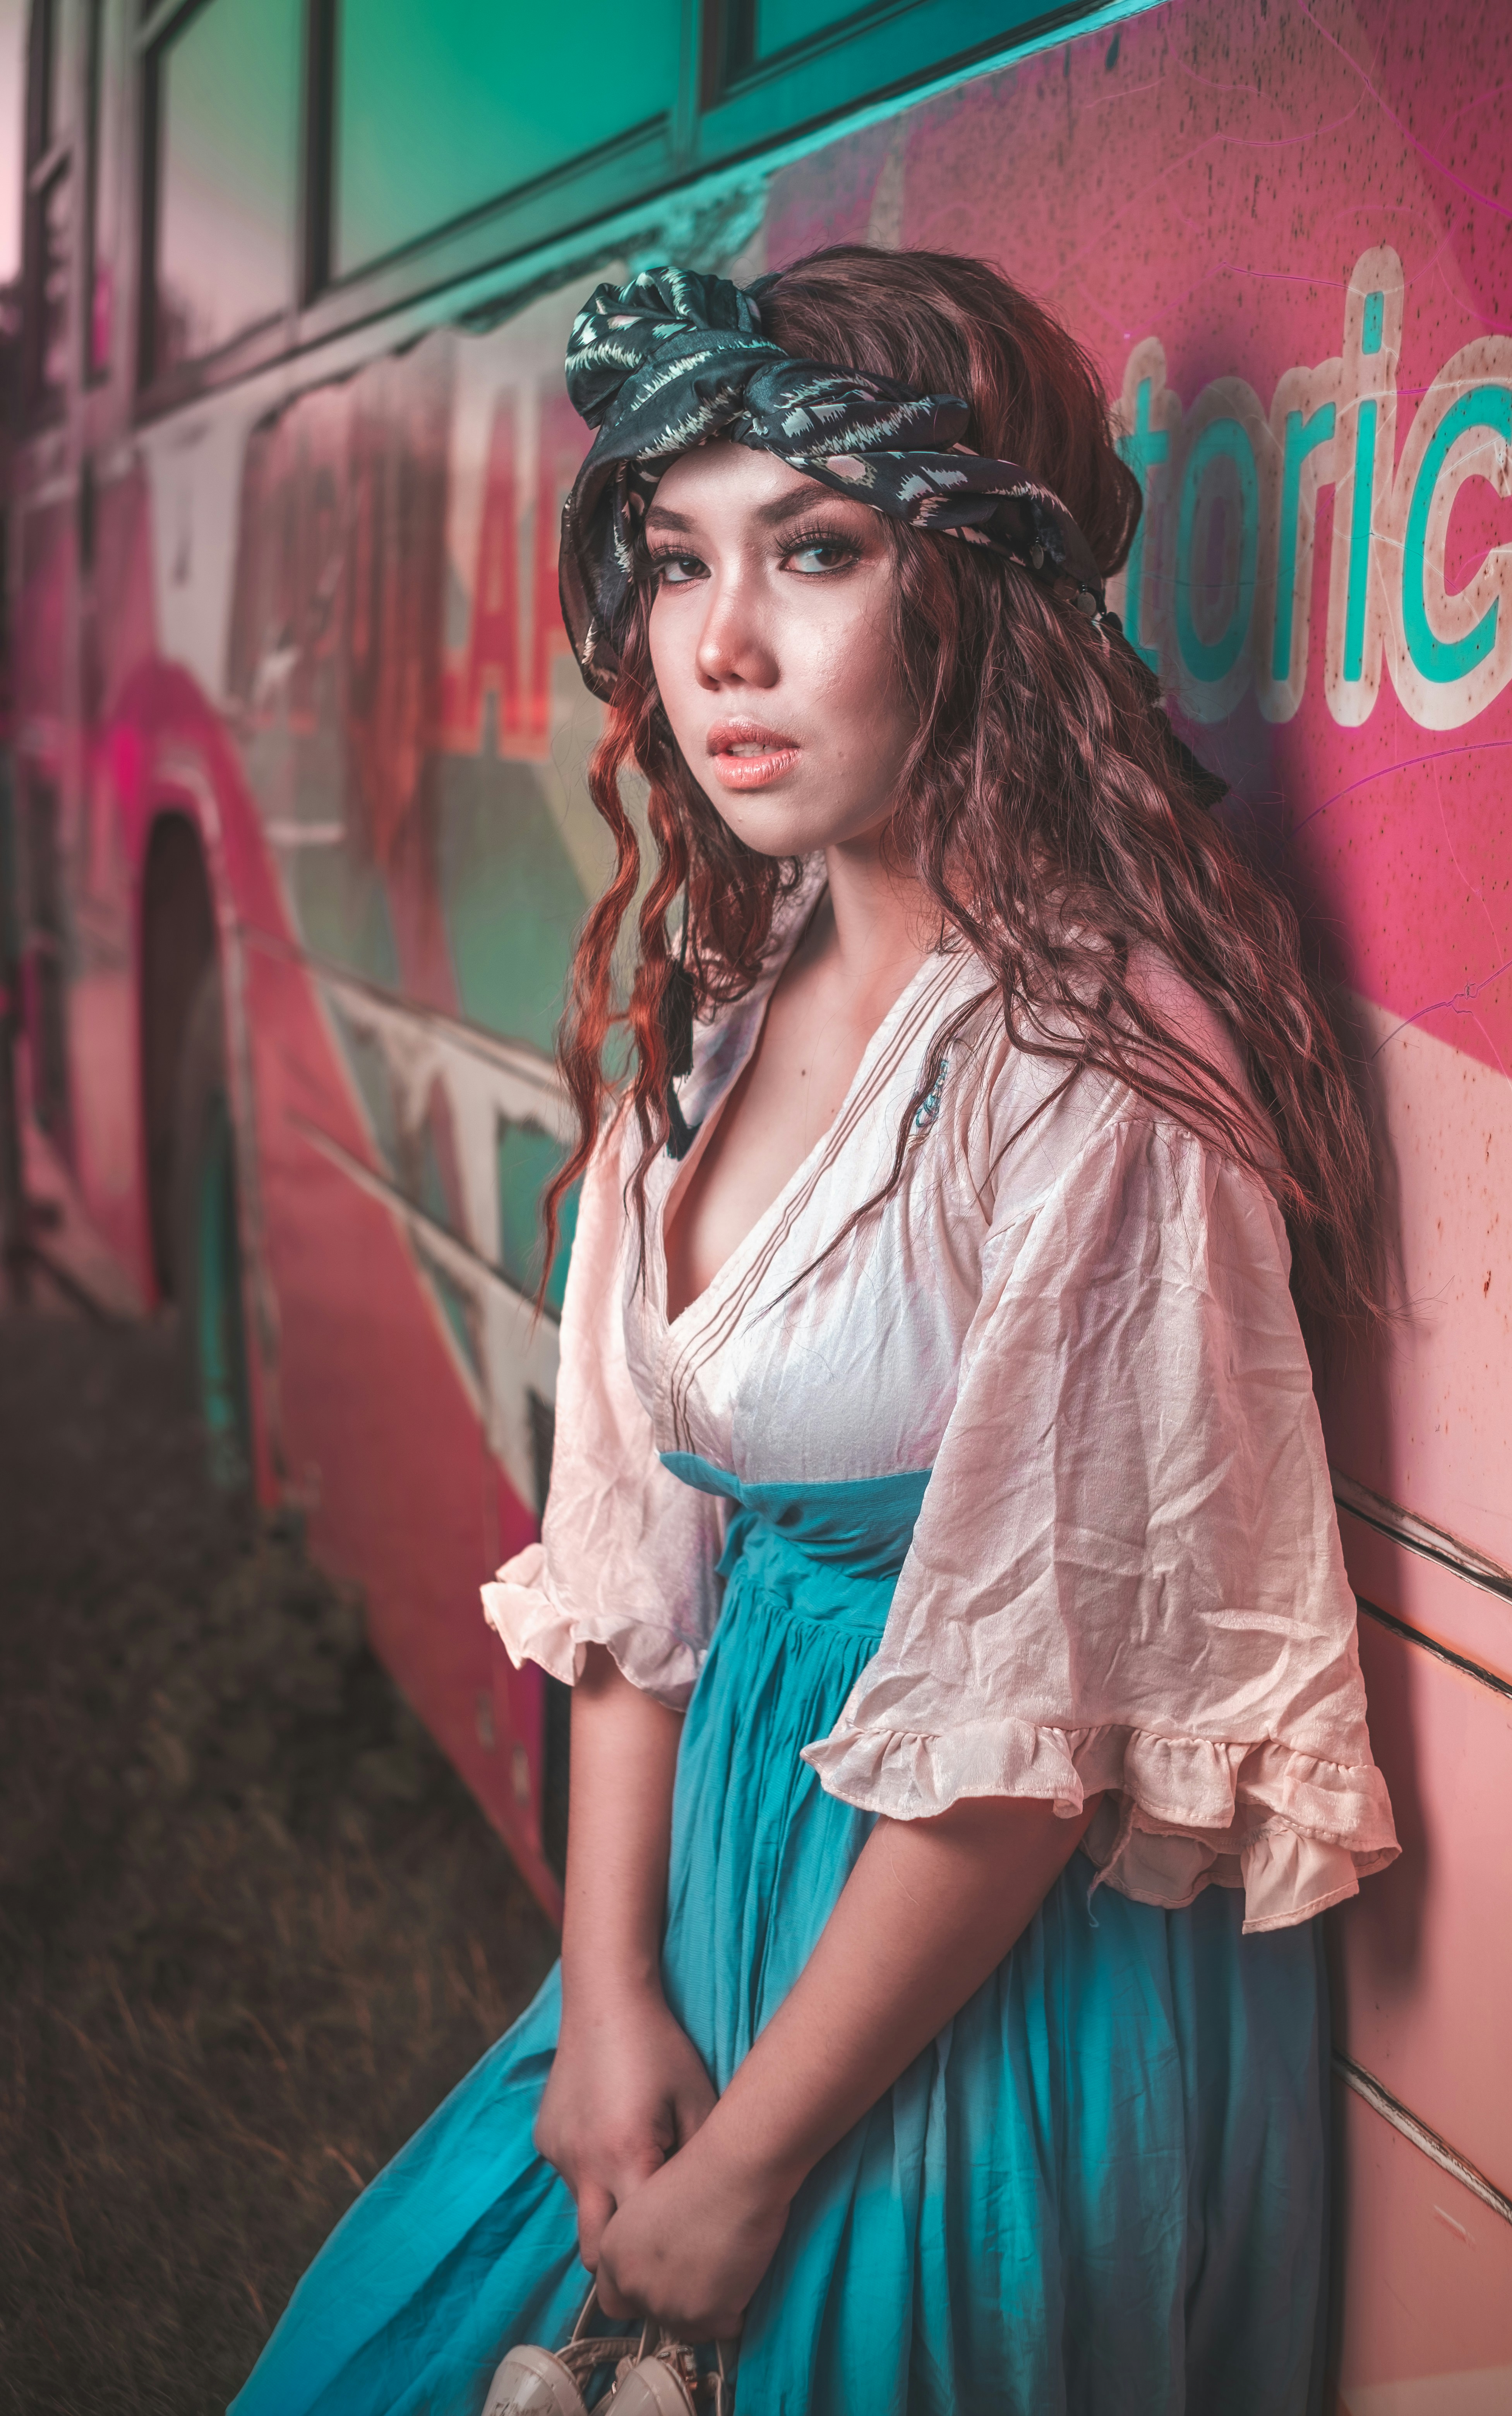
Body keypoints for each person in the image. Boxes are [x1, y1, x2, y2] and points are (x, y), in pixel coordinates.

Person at [232, 246, 1397, 2416]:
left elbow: (1035, 1729)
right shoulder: (707, 1034)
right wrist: (602, 2001)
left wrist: (757, 2160)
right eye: (678, 563)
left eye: (820, 554)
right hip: (716, 1895)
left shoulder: (1091, 1071)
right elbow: (636, 1575)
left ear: (979, 588)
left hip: (970, 1980)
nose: (726, 650)